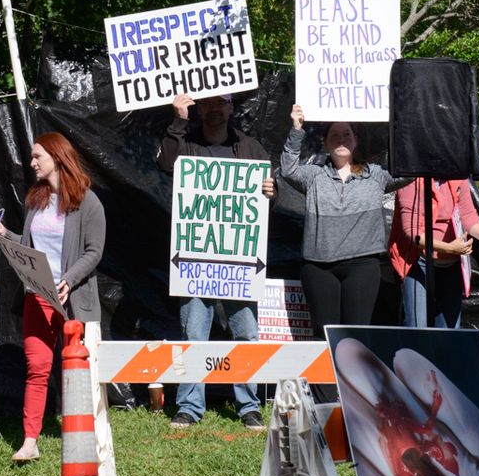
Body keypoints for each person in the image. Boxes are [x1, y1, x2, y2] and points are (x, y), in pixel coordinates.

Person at [157, 92, 275, 428]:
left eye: (220, 102)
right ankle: (190, 406)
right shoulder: (186, 142)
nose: (214, 108)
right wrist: (178, 120)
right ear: (198, 107)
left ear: (231, 107)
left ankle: (248, 405)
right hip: (195, 257)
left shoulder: (251, 148)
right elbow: (166, 164)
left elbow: (268, 200)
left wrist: (272, 192)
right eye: (207, 102)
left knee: (247, 335)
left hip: (238, 260)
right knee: (193, 334)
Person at [0, 133, 105, 463]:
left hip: (73, 299)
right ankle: (30, 441)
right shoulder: (36, 201)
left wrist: (69, 280)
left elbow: (94, 251)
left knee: (80, 370)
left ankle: (88, 433)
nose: (31, 163)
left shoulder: (88, 202)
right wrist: (5, 236)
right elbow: (32, 249)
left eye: (37, 157)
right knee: (38, 368)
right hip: (38, 296)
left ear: (57, 158)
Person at [279, 103, 407, 331]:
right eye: (334, 135)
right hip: (318, 268)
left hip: (362, 267)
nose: (341, 139)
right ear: (325, 142)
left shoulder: (375, 174)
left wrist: (405, 124)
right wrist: (296, 129)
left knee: (355, 339)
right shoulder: (313, 176)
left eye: (346, 134)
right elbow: (288, 170)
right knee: (325, 337)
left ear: (355, 139)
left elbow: (409, 173)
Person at [390, 176, 479, 329]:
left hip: (451, 263)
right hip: (418, 262)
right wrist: (449, 248)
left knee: (449, 331)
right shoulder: (411, 180)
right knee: (416, 327)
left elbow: (468, 215)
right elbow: (412, 232)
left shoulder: (459, 177)